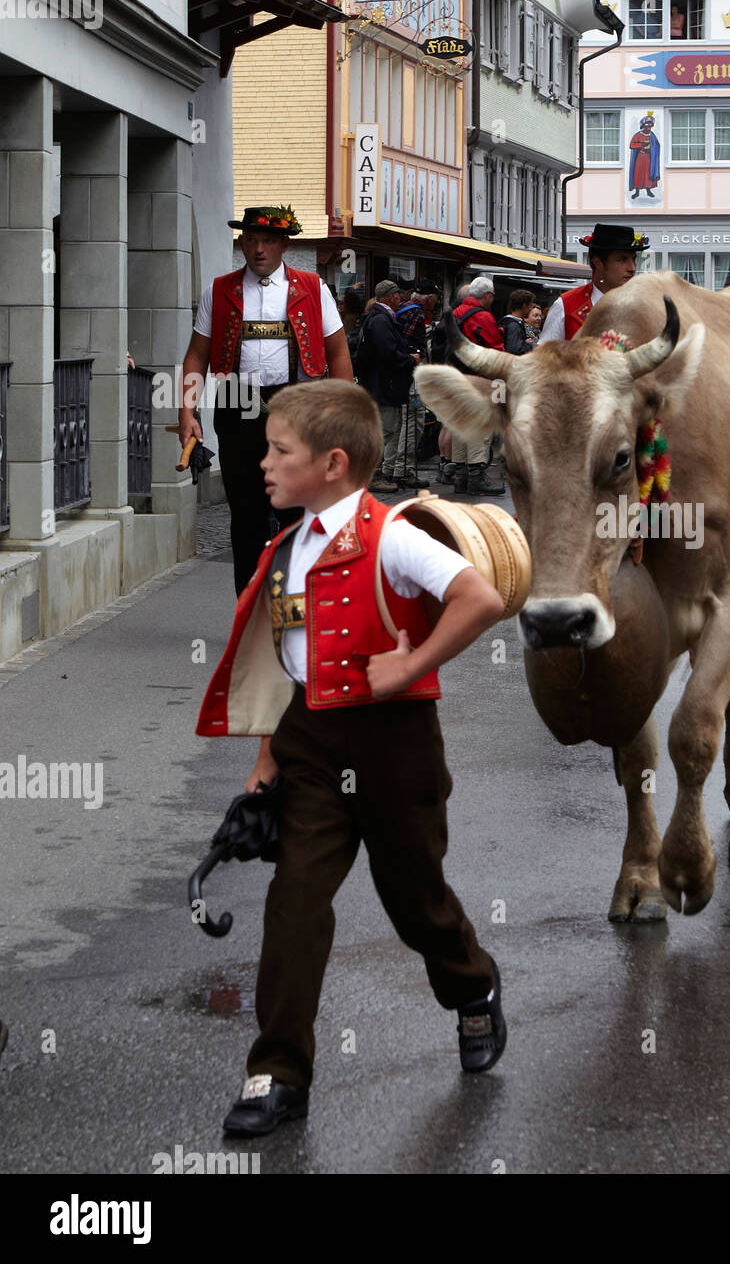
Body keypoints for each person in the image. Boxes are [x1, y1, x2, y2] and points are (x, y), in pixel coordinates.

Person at [196, 380, 507, 1136]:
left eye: (280, 451)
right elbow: (285, 662)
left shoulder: (392, 534)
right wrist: (268, 756)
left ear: (333, 463)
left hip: (394, 744)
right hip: (309, 738)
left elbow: (480, 600)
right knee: (296, 900)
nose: (263, 463)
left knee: (415, 902)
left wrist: (408, 666)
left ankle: (473, 986)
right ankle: (277, 1072)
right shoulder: (285, 546)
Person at [180, 205, 352, 594]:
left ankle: (294, 603)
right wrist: (187, 412)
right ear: (241, 243)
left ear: (284, 245)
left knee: (295, 508)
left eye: (268, 241)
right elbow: (197, 355)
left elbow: (339, 353)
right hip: (236, 405)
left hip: (296, 406)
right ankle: (250, 610)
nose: (259, 249)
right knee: (245, 513)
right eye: (252, 240)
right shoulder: (218, 289)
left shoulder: (313, 287)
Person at [538, 223, 648, 345]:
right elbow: (544, 358)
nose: (632, 268)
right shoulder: (566, 305)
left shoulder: (643, 307)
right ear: (598, 263)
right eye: (622, 259)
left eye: (634, 259)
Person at [447, 278, 505, 494]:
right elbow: (495, 349)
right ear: (487, 295)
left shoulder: (455, 313)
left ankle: (460, 477)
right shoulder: (483, 316)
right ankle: (476, 477)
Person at [359, 280, 416, 493]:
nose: (399, 298)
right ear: (390, 297)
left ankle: (377, 472)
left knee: (384, 428)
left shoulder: (376, 318)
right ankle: (374, 475)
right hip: (383, 384)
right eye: (396, 295)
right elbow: (388, 352)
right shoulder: (381, 320)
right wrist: (410, 360)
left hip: (379, 383)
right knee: (385, 430)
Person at [392, 285, 431, 489]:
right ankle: (404, 470)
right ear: (427, 298)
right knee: (413, 421)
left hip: (400, 376)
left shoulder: (401, 311)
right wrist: (414, 358)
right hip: (412, 374)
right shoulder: (415, 314)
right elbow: (408, 344)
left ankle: (397, 468)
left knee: (401, 423)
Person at [501, 288, 536, 356]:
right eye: (530, 305)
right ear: (524, 305)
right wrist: (528, 345)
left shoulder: (506, 321)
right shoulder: (514, 326)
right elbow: (514, 351)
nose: (531, 309)